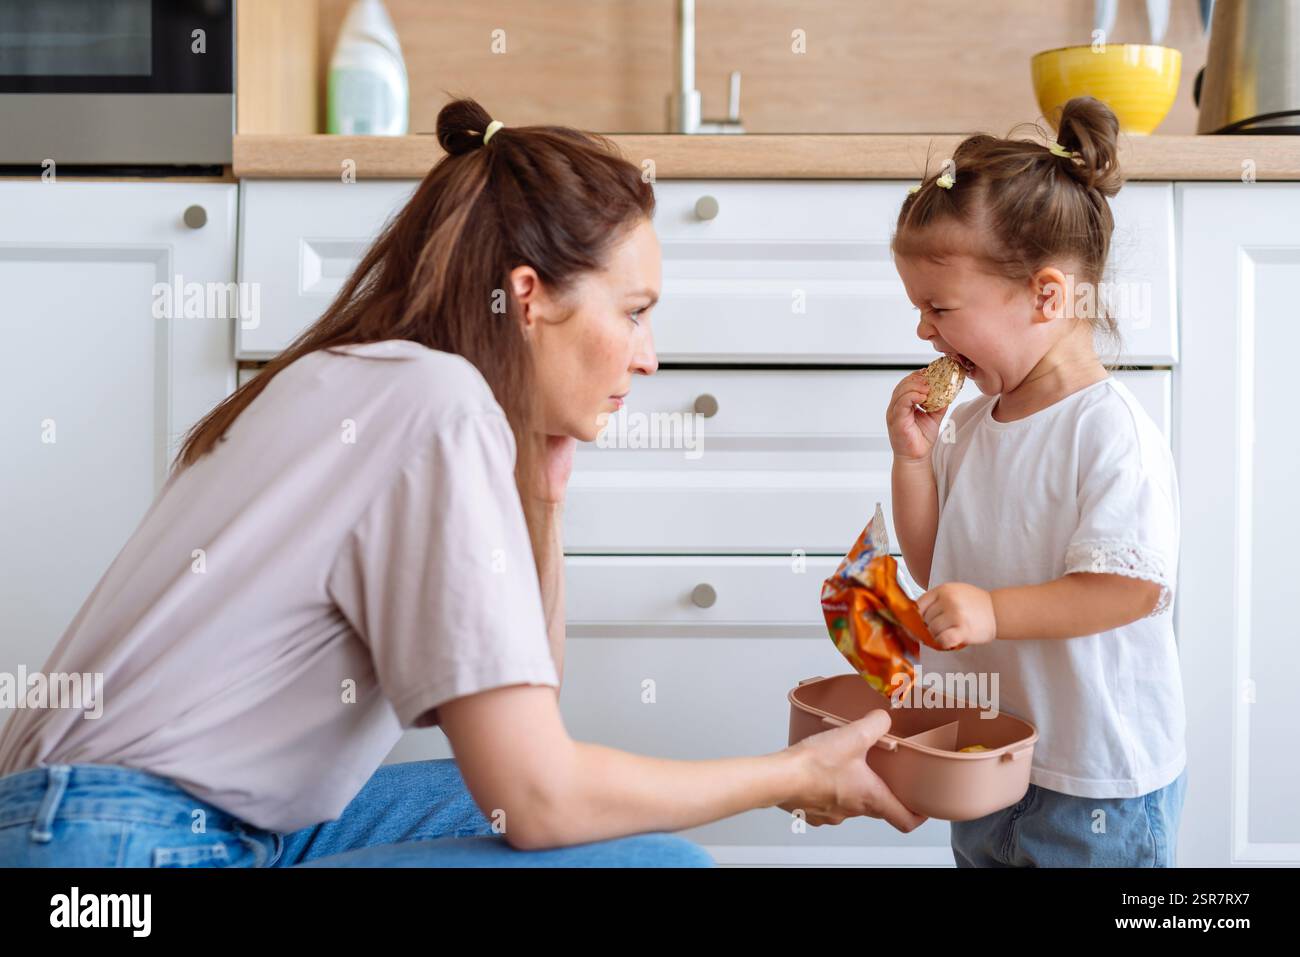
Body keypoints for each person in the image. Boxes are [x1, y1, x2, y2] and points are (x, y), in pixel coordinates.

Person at [0, 98, 925, 868]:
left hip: (143, 821)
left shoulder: (373, 381)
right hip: (114, 851)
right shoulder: (433, 401)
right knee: (654, 863)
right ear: (529, 297)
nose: (648, 358)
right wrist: (792, 776)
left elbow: (523, 715)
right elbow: (537, 798)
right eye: (635, 312)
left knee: (486, 797)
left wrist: (544, 496)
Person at [886, 96, 1187, 867]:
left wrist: (991, 610)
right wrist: (914, 459)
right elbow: (933, 566)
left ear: (1047, 295)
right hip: (989, 757)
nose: (924, 331)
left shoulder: (1108, 430)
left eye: (939, 307)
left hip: (1094, 782)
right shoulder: (972, 424)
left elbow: (1128, 587)